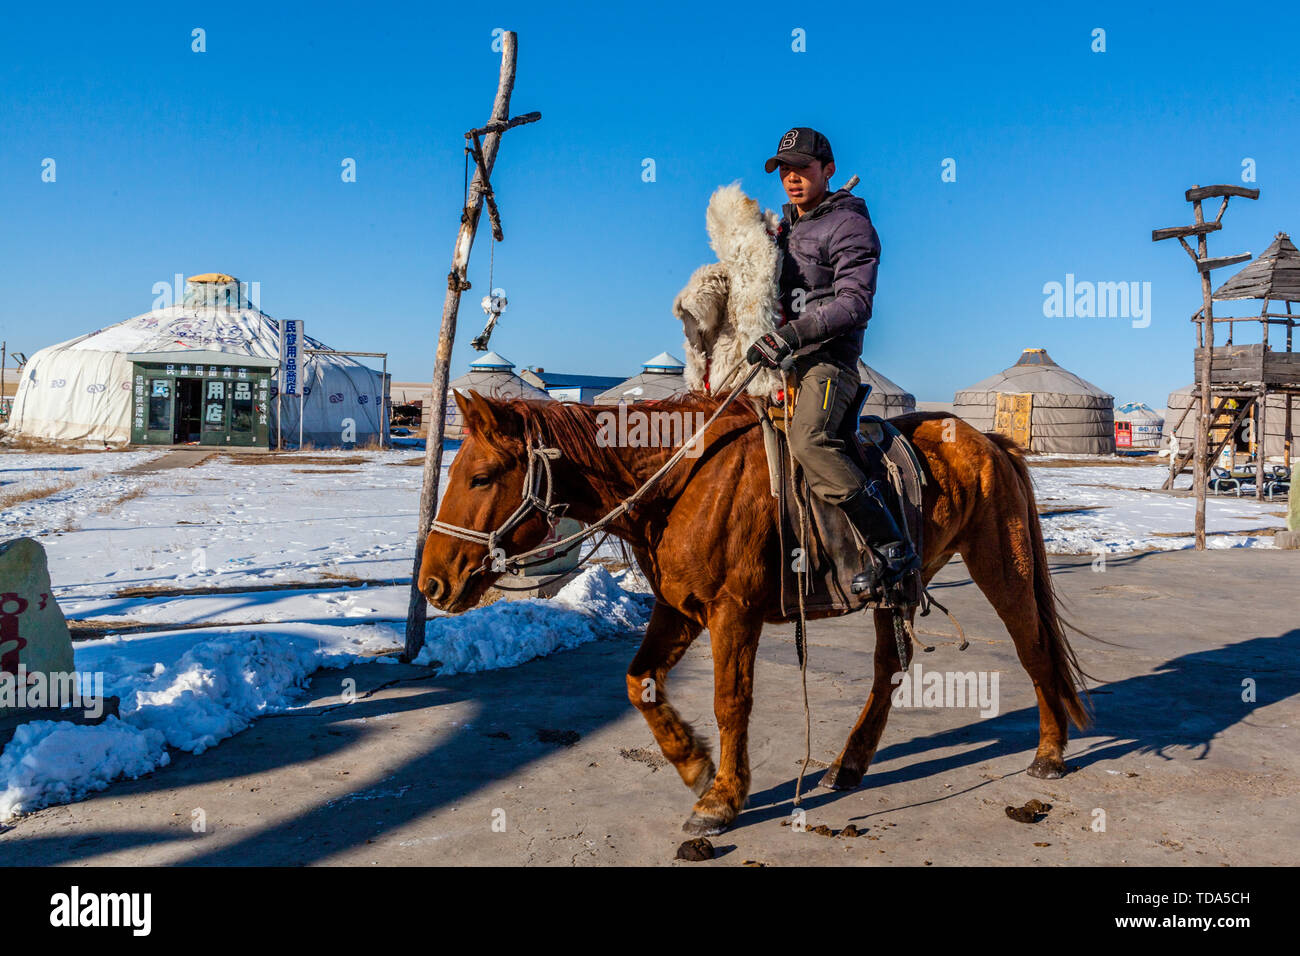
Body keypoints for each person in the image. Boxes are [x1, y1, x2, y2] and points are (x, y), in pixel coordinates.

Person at [745, 127, 918, 596]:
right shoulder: (786, 227)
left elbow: (854, 304)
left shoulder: (850, 226)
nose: (792, 178)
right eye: (785, 170)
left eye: (803, 168)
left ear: (829, 170)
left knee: (810, 441)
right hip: (780, 359)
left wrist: (790, 335)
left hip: (826, 362)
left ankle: (891, 549)